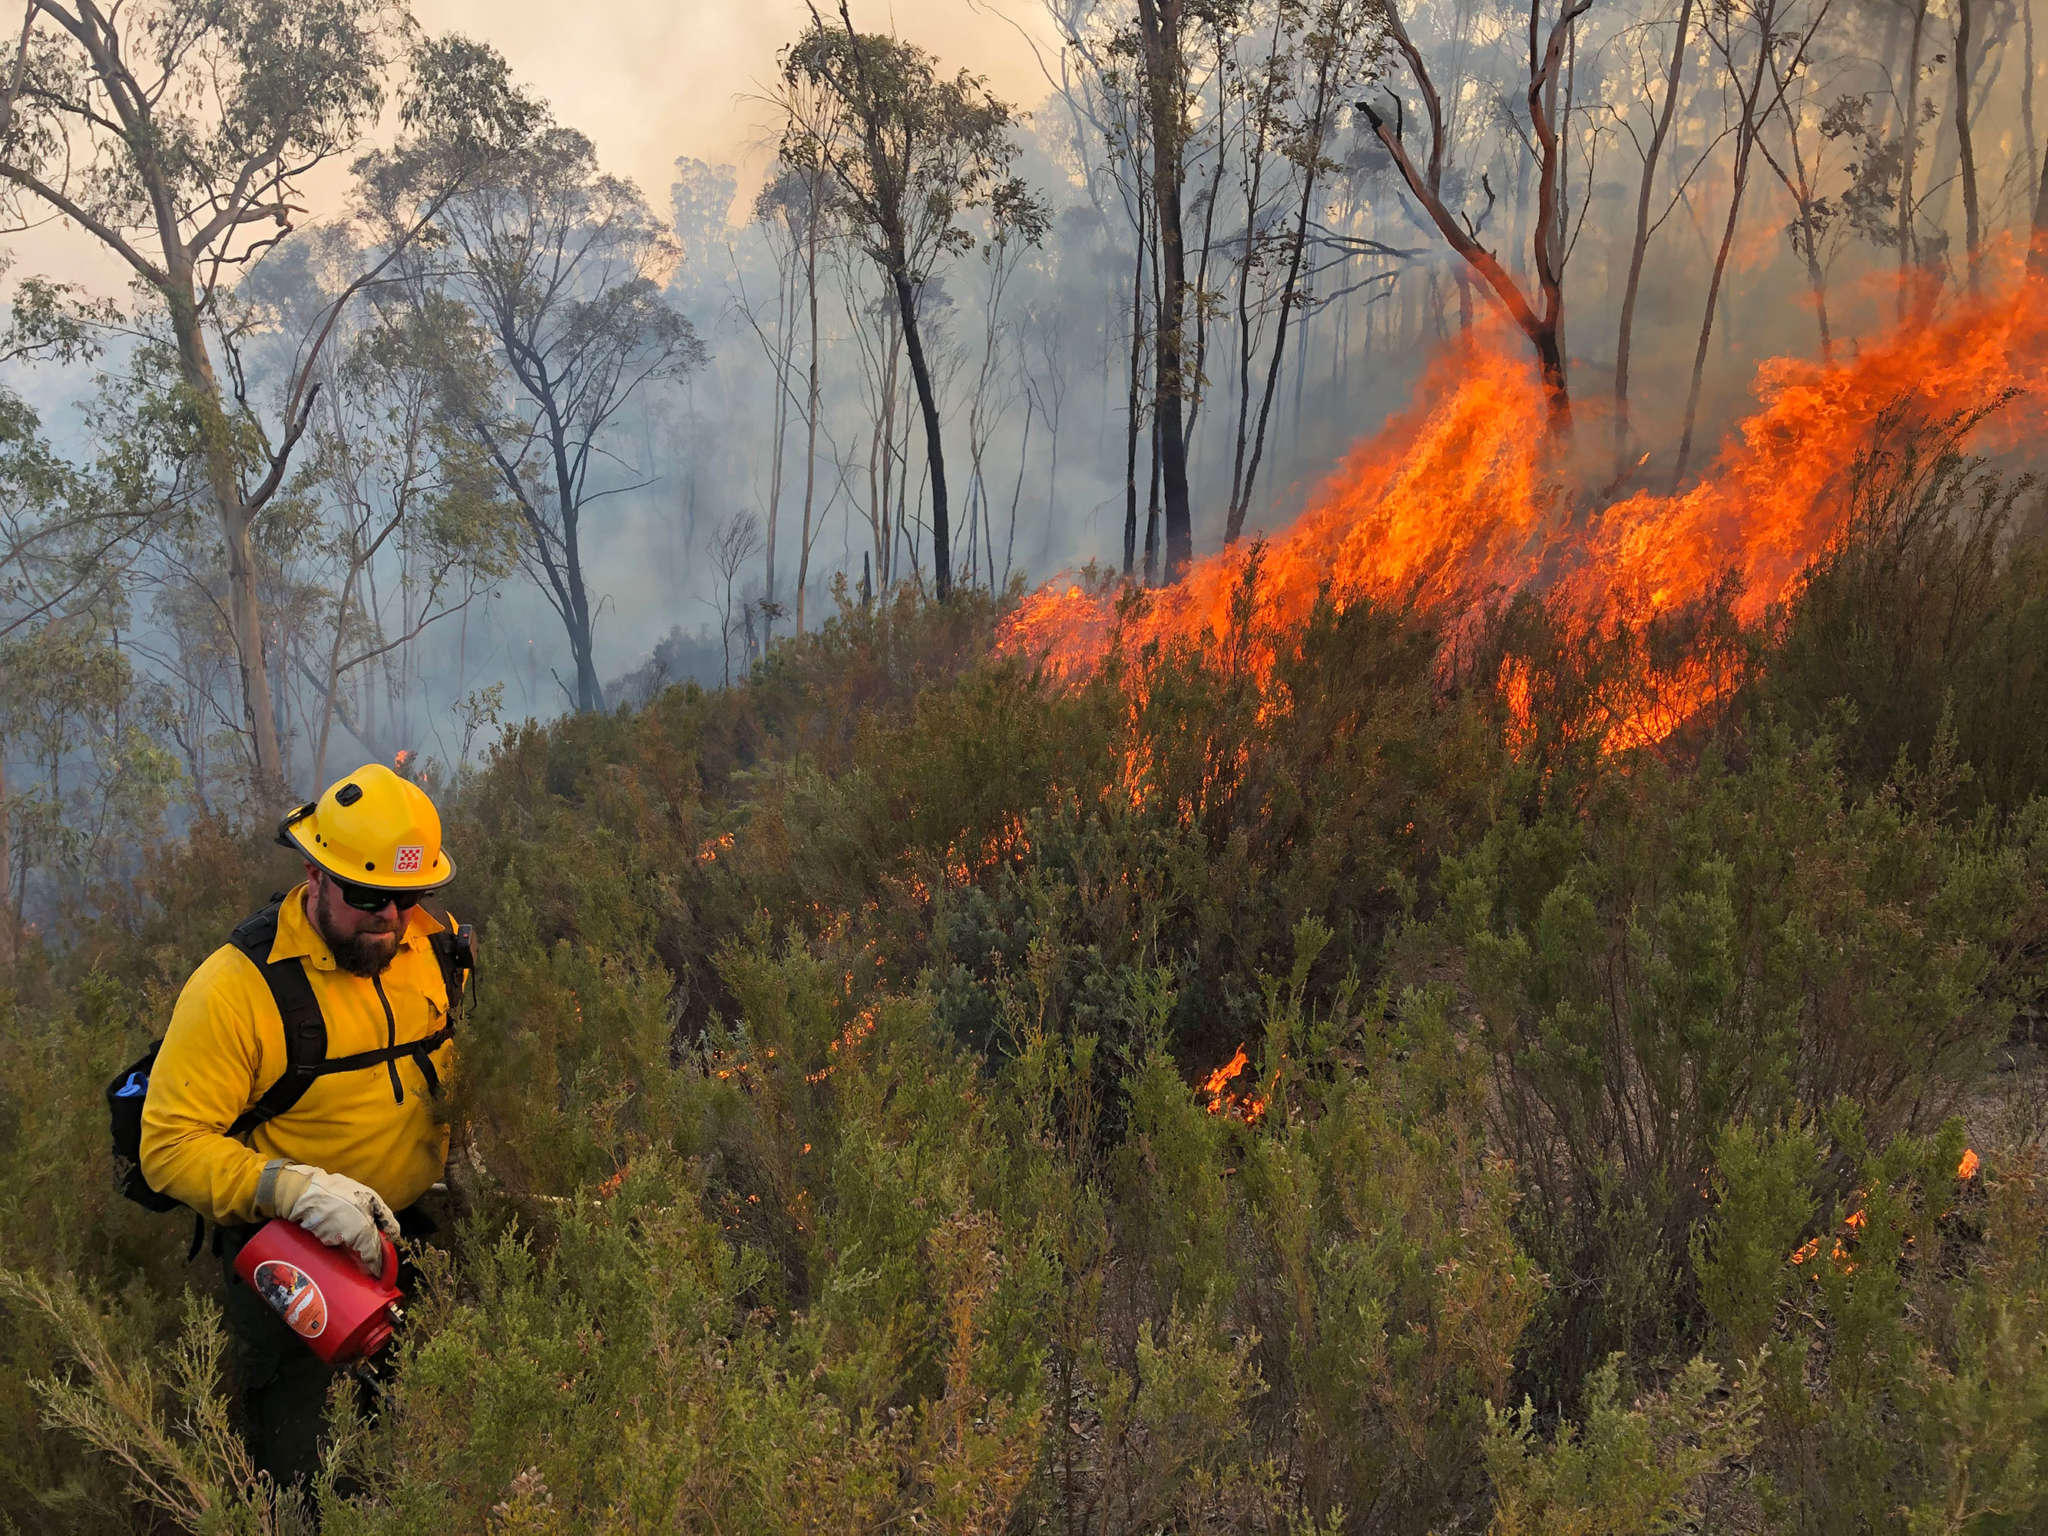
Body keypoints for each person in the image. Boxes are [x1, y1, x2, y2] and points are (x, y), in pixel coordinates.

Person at [139, 762, 462, 1492]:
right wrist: (292, 1189)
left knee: (428, 1450)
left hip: (414, 1238)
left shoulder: (432, 949)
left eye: (409, 897)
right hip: (298, 1261)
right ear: (315, 874)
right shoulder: (236, 989)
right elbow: (167, 1148)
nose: (389, 917)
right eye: (367, 894)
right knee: (309, 1476)